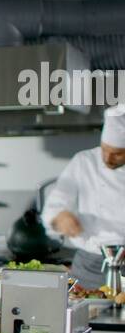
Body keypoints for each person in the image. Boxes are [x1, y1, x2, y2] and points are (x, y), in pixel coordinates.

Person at [42, 105, 125, 288]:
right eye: (104, 150)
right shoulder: (84, 162)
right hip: (90, 266)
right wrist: (61, 217)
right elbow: (54, 207)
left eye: (117, 154)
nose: (108, 158)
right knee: (86, 314)